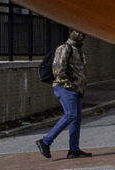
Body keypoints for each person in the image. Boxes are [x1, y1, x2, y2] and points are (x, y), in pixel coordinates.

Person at [36, 30, 89, 159]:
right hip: (65, 88)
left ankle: (74, 150)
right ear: (71, 32)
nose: (81, 34)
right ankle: (45, 141)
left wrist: (80, 87)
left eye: (83, 33)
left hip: (78, 89)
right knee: (70, 115)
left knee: (76, 119)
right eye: (78, 32)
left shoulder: (79, 51)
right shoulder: (64, 48)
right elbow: (58, 69)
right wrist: (68, 85)